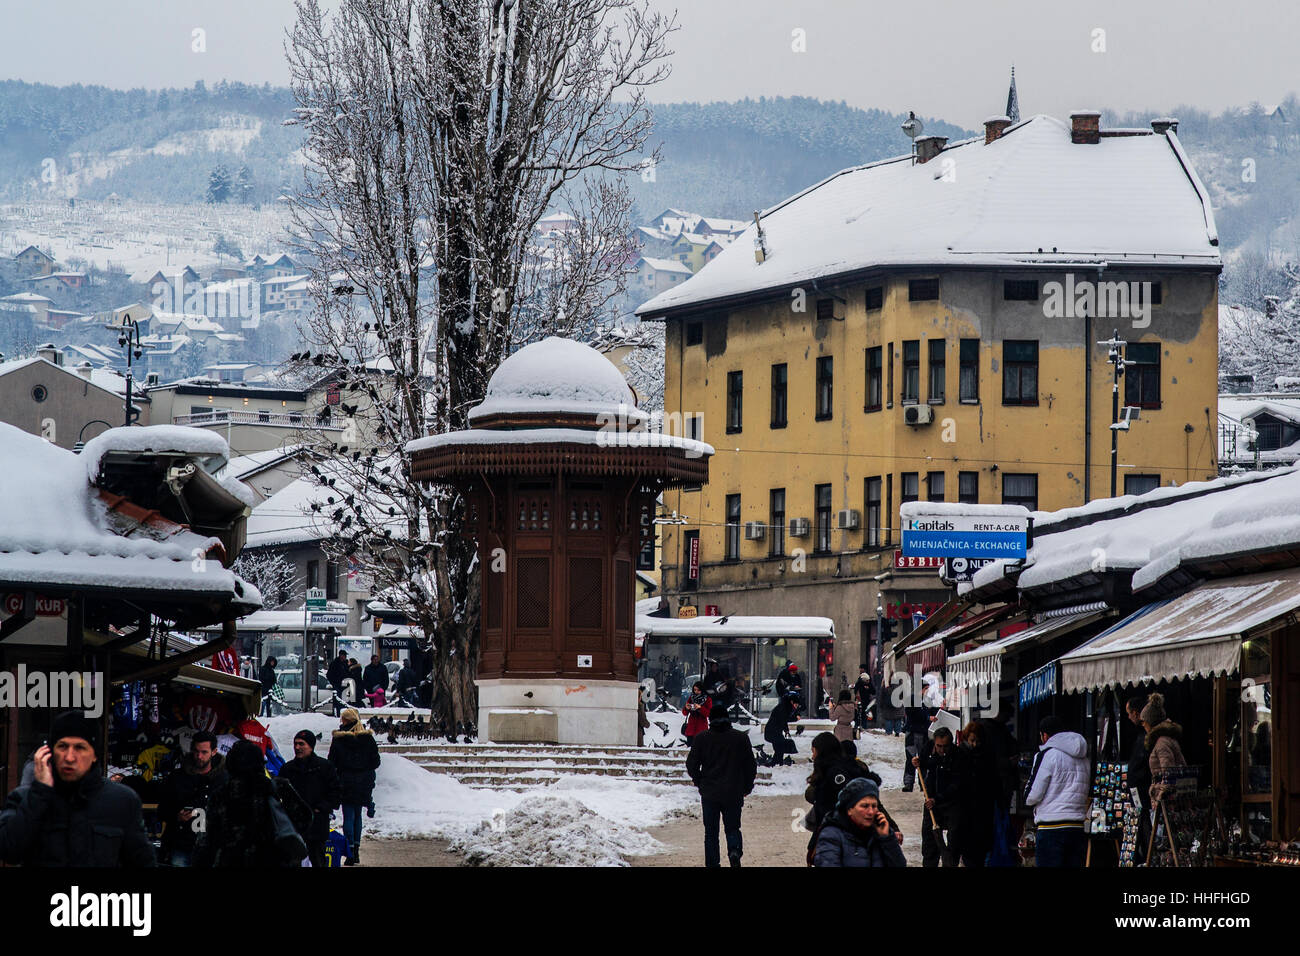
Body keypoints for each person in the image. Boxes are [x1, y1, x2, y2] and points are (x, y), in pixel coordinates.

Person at [0, 710, 155, 867]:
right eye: (62, 746)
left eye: (80, 748)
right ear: (50, 752)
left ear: (94, 754)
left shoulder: (122, 800)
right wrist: (40, 793)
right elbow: (9, 851)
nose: (69, 757)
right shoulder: (25, 797)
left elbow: (143, 861)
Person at [193, 740, 312, 867]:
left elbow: (206, 842)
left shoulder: (222, 795)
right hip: (275, 860)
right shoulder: (278, 788)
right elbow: (304, 820)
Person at [685, 707, 757, 867]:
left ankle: (712, 863)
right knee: (733, 827)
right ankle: (734, 851)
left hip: (710, 792)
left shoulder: (701, 738)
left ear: (710, 720)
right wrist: (746, 787)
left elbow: (691, 764)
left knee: (711, 832)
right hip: (733, 791)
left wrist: (699, 782)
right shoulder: (740, 738)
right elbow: (750, 766)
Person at [1022, 715, 1090, 868]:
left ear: (1044, 735)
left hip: (1051, 828)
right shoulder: (1084, 758)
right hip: (1077, 827)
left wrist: (1025, 795)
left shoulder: (1046, 755)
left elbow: (1032, 796)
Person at [158, 730, 226, 866]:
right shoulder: (177, 777)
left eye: (204, 752)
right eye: (196, 751)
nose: (199, 756)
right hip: (181, 844)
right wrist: (176, 816)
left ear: (214, 752)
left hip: (211, 847)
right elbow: (162, 810)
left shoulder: (224, 780)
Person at [278, 730, 343, 869]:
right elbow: (279, 794)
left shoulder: (325, 767)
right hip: (293, 824)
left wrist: (321, 808)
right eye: (295, 744)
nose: (297, 747)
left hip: (317, 823)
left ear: (311, 746)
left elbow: (335, 793)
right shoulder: (287, 769)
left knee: (318, 860)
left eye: (302, 744)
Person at [812, 777, 906, 868]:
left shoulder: (880, 832)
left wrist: (887, 839)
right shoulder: (831, 835)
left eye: (874, 806)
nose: (870, 812)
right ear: (849, 809)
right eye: (864, 806)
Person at [328, 708, 381, 866]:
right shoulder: (368, 738)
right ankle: (356, 849)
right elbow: (376, 762)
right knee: (358, 815)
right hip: (364, 781)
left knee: (348, 816)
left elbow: (332, 762)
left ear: (345, 721)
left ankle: (350, 852)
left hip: (345, 780)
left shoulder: (339, 739)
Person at [912, 726, 962, 867]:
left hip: (951, 803)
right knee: (929, 844)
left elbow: (956, 785)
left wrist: (938, 799)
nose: (941, 750)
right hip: (931, 802)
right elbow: (922, 763)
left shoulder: (958, 755)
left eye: (945, 746)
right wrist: (917, 763)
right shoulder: (929, 748)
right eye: (939, 746)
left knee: (953, 843)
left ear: (950, 744)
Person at [956, 721, 998, 868]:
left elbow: (993, 781)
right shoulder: (959, 754)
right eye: (972, 740)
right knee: (968, 850)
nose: (974, 744)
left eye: (977, 741)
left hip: (983, 808)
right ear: (967, 738)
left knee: (981, 849)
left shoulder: (987, 756)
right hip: (965, 809)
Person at [1141, 693, 1187, 807]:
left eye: (1144, 722)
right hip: (1168, 800)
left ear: (1150, 722)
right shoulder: (1166, 739)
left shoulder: (1162, 742)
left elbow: (1168, 771)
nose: (1143, 725)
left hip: (1166, 804)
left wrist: (1160, 797)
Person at [1125, 694, 1152, 862]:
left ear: (1136, 713)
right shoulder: (1142, 735)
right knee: (1143, 829)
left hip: (1146, 792)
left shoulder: (1148, 736)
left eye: (1129, 713)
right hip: (1141, 792)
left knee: (1148, 830)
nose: (1128, 717)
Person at [901, 704, 935, 792]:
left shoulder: (927, 700)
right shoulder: (912, 699)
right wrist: (927, 717)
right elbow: (911, 712)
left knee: (923, 759)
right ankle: (909, 783)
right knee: (911, 758)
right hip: (912, 733)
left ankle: (924, 784)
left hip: (924, 733)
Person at [763, 692, 798, 765]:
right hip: (773, 732)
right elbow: (783, 719)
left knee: (779, 748)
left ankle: (776, 763)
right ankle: (776, 763)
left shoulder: (784, 707)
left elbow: (783, 720)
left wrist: (786, 730)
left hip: (775, 731)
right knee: (779, 747)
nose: (796, 706)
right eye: (796, 704)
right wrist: (795, 718)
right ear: (791, 702)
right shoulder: (783, 708)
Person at [681, 682, 712, 746]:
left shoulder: (707, 699)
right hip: (691, 728)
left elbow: (709, 713)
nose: (696, 692)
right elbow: (684, 713)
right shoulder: (692, 698)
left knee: (701, 749)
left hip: (701, 728)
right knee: (690, 748)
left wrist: (700, 708)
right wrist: (687, 708)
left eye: (698, 690)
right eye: (695, 690)